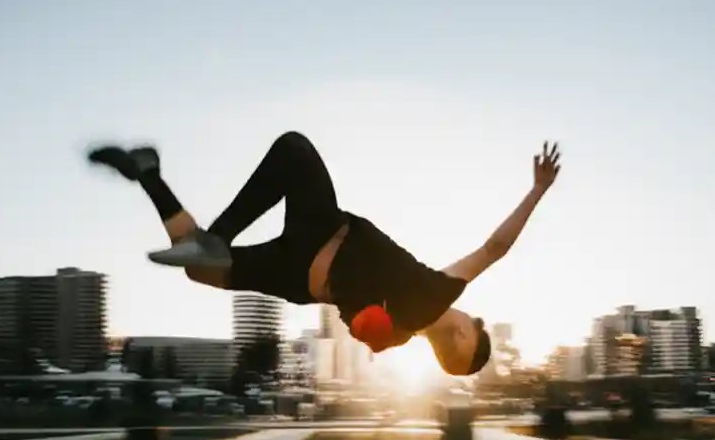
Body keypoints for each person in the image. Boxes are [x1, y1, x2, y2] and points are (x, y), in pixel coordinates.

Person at [87, 131, 560, 375]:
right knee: (291, 155)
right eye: (461, 348)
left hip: (302, 264)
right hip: (315, 249)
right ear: (466, 330)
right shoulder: (432, 296)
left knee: (201, 269)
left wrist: (366, 328)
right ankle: (204, 226)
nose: (455, 340)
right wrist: (536, 191)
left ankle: (149, 173)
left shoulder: (411, 323)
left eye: (454, 354)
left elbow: (494, 249)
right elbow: (493, 249)